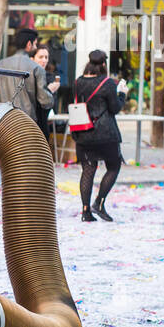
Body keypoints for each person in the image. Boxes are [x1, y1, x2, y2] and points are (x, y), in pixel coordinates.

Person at [72, 50, 124, 222]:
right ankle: (99, 202)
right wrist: (122, 94)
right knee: (114, 166)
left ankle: (85, 211)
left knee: (88, 170)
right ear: (103, 65)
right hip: (105, 134)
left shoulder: (78, 82)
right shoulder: (108, 83)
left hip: (83, 133)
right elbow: (114, 108)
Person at [0, 27, 53, 122]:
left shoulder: (0, 64)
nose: (36, 47)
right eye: (35, 44)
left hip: (3, 121)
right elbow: (45, 101)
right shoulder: (37, 68)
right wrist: (51, 92)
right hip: (27, 122)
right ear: (29, 44)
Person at [33, 45, 61, 138]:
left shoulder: (50, 77)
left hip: (44, 122)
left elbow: (51, 103)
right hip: (30, 121)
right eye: (41, 57)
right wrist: (48, 90)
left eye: (46, 57)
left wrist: (51, 92)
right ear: (32, 58)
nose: (44, 60)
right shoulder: (28, 76)